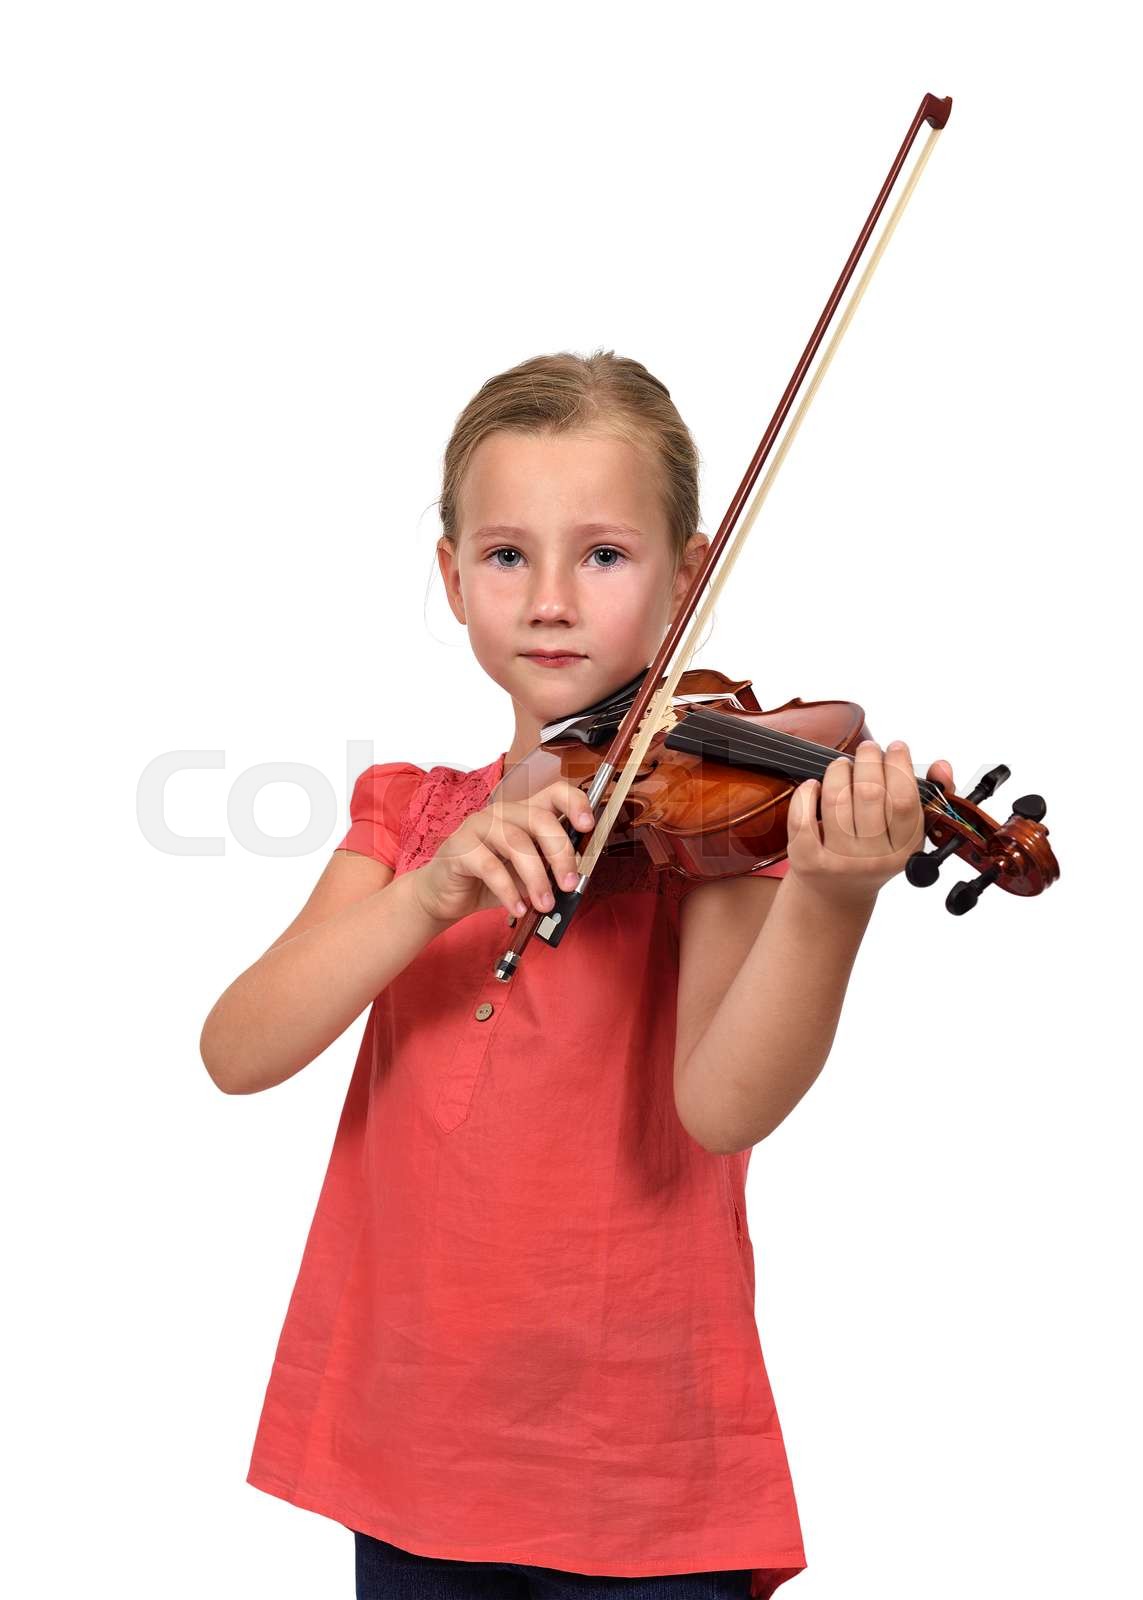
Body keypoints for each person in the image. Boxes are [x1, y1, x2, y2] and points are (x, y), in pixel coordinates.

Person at [201, 349, 954, 1599]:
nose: (551, 599)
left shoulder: (706, 836)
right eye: (508, 555)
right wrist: (433, 889)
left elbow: (722, 1106)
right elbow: (240, 1049)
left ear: (688, 575)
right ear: (451, 578)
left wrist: (828, 899)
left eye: (603, 555)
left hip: (638, 1469)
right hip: (409, 1446)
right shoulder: (410, 815)